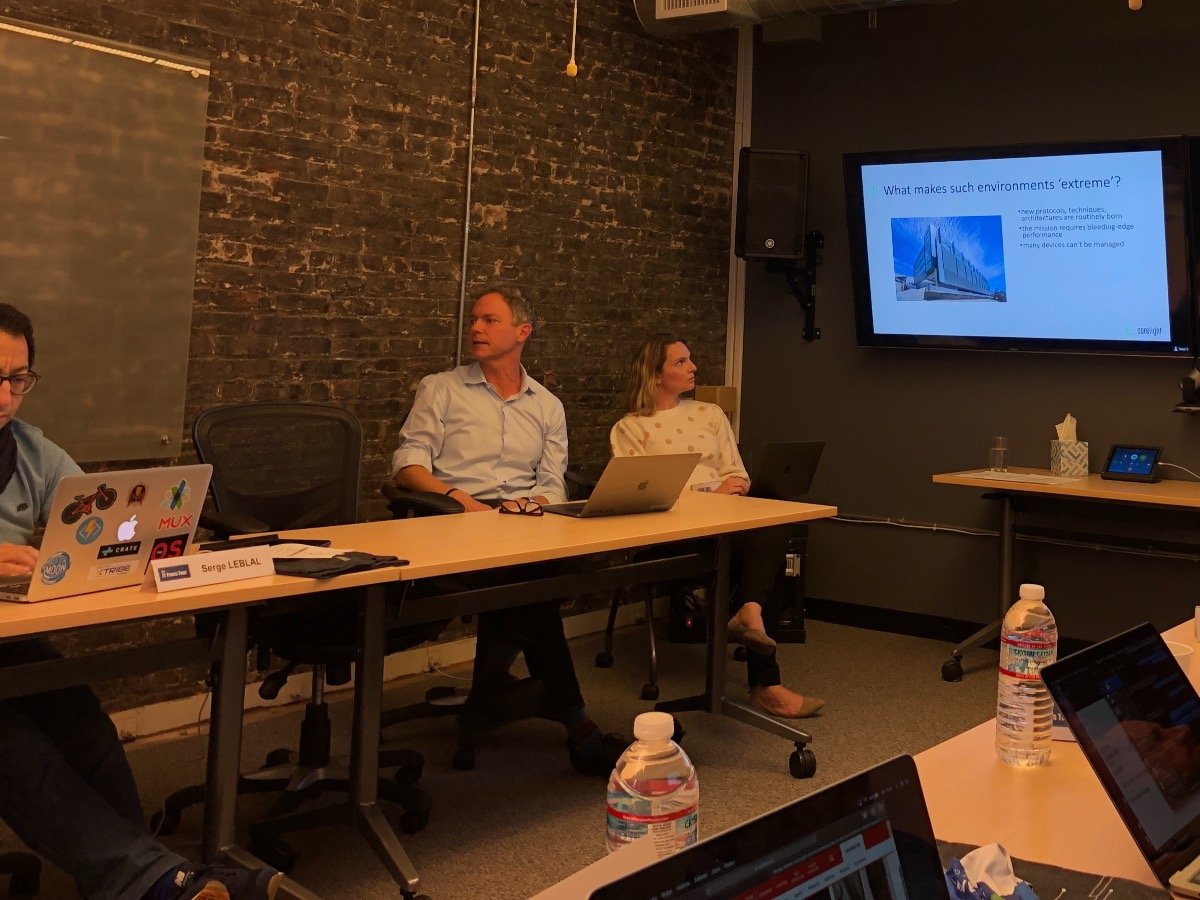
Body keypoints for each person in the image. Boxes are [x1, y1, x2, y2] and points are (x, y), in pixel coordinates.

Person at [0, 303, 282, 900]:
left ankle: (151, 876)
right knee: (12, 743)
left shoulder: (29, 451)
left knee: (81, 722)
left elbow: (95, 517)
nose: (5, 396)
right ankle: (155, 883)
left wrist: (139, 545)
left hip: (6, 639)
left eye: (17, 380)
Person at [392, 287, 627, 775]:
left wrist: (532, 506)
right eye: (474, 320)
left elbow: (552, 482)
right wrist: (463, 502)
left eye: (489, 320)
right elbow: (408, 466)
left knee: (538, 574)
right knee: (533, 587)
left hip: (523, 525)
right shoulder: (441, 389)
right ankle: (575, 724)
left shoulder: (548, 405)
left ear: (522, 332)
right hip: (455, 520)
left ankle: (492, 688)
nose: (475, 328)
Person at [610, 333, 825, 719]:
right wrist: (713, 494)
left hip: (726, 522)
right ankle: (766, 683)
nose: (693, 367)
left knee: (775, 519)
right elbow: (644, 495)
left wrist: (728, 491)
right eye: (680, 362)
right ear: (655, 375)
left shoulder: (709, 414)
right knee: (765, 553)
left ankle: (749, 613)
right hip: (674, 535)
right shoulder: (630, 428)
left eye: (690, 359)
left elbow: (737, 474)